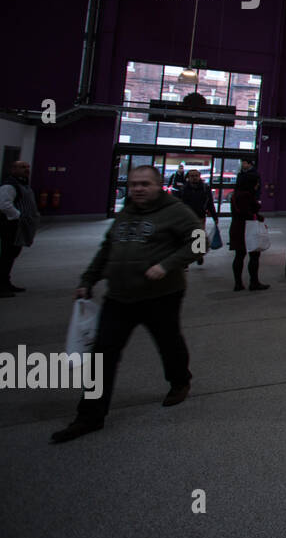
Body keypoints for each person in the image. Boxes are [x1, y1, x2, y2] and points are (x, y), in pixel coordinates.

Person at [51, 166, 200, 444]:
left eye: (145, 184)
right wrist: (88, 279)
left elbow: (198, 242)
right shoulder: (126, 213)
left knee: (168, 342)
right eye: (133, 184)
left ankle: (180, 381)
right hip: (119, 296)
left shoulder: (176, 211)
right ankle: (89, 415)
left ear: (159, 186)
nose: (138, 189)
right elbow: (107, 249)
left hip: (161, 294)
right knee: (102, 354)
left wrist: (166, 265)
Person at [0, 159, 39, 296]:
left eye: (27, 167)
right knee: (6, 255)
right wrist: (18, 216)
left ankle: (6, 282)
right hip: (12, 226)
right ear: (13, 170)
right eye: (22, 167)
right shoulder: (9, 186)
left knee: (12, 254)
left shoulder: (23, 184)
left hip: (20, 226)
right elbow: (4, 205)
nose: (26, 169)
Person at [229, 168, 269, 291]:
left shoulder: (236, 194)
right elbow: (247, 212)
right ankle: (254, 282)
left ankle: (238, 283)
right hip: (248, 228)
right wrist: (257, 216)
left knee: (239, 256)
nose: (258, 185)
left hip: (237, 227)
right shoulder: (247, 195)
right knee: (254, 255)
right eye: (256, 182)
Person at [177, 169, 217, 265]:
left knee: (198, 236)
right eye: (192, 176)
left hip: (200, 216)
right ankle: (185, 260)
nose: (194, 178)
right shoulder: (183, 189)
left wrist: (214, 216)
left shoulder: (205, 188)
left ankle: (198, 255)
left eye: (196, 176)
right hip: (186, 217)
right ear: (188, 177)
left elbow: (210, 203)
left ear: (199, 176)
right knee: (186, 237)